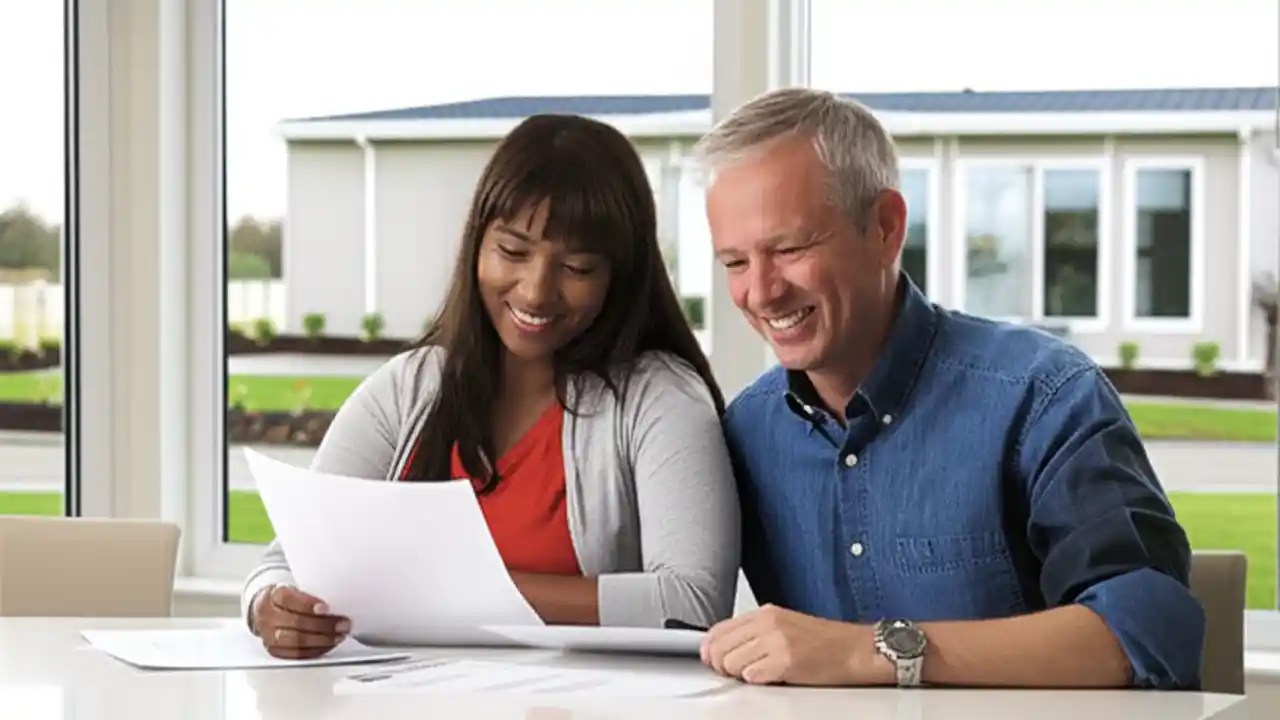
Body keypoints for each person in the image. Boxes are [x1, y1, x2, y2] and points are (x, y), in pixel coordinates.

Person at [694, 88, 1204, 689]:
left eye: (789, 248)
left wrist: (871, 652)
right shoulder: (744, 434)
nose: (761, 292)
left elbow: (1152, 632)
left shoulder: (1043, 397)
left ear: (885, 228)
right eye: (734, 263)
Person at [241, 114, 740, 659]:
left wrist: (440, 589)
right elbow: (283, 563)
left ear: (619, 278)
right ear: (477, 245)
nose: (536, 290)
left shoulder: (660, 399)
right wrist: (269, 605)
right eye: (513, 252)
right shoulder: (409, 389)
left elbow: (693, 603)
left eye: (576, 267)